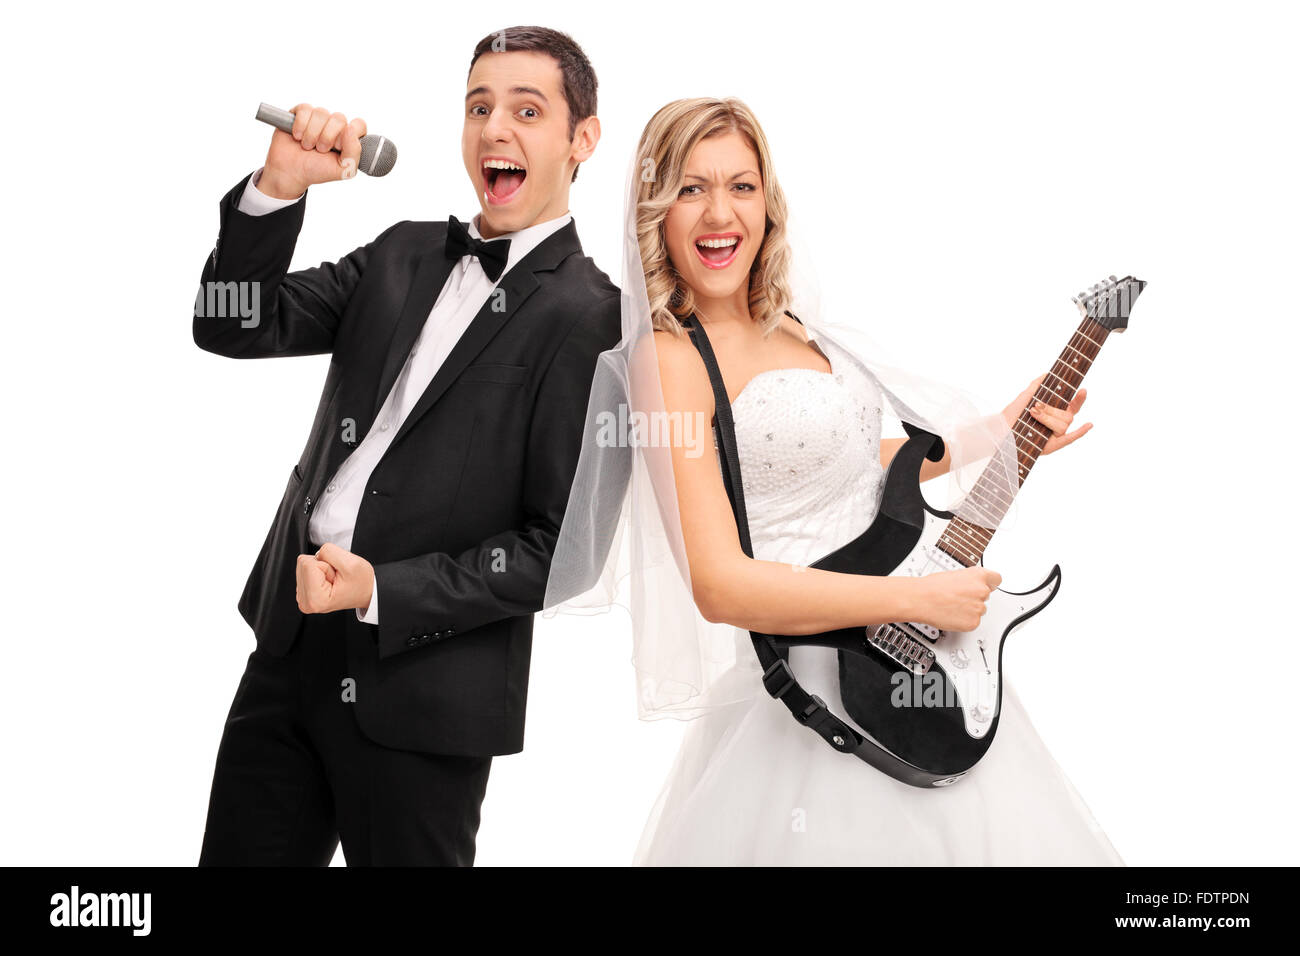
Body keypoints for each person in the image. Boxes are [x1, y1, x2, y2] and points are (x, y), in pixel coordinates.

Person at [545, 97, 1123, 865]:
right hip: (828, 697)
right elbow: (720, 585)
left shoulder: (791, 324)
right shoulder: (669, 361)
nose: (721, 213)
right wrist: (913, 599)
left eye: (741, 186)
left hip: (922, 670)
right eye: (691, 188)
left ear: (768, 199)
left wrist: (1002, 433)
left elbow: (844, 460)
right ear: (655, 209)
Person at [194, 25, 621, 866]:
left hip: (423, 690)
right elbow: (230, 323)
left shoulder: (594, 319)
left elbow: (560, 553)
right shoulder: (401, 253)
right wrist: (279, 187)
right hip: (287, 648)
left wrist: (380, 589)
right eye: (479, 106)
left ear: (582, 140)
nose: (495, 129)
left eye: (527, 110)